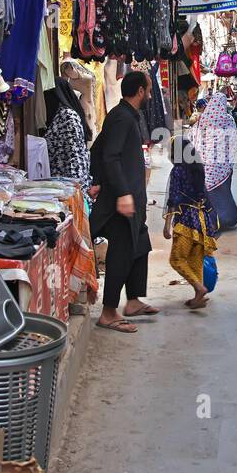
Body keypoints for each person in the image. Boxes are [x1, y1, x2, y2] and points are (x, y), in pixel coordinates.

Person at [88, 70, 158, 333]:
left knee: (140, 244)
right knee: (122, 251)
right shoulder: (122, 118)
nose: (150, 94)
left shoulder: (125, 116)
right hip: (123, 199)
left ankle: (134, 301)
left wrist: (98, 181)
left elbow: (98, 149)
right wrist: (122, 193)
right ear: (140, 90)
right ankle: (108, 312)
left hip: (132, 197)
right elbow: (110, 156)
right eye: (148, 89)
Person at [163, 135, 218, 310]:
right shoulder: (198, 167)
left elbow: (173, 199)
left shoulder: (178, 171)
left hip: (186, 220)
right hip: (203, 221)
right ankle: (198, 298)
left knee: (177, 259)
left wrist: (167, 224)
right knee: (195, 259)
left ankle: (199, 288)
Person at [194, 92, 237, 231]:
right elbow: (233, 140)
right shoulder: (228, 119)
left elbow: (196, 140)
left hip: (206, 164)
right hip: (223, 165)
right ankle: (226, 219)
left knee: (210, 195)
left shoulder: (203, 119)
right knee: (224, 192)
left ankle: (211, 220)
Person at [43, 82, 91, 187]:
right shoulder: (57, 116)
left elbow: (75, 158)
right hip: (59, 186)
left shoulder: (67, 117)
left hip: (68, 188)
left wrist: (78, 191)